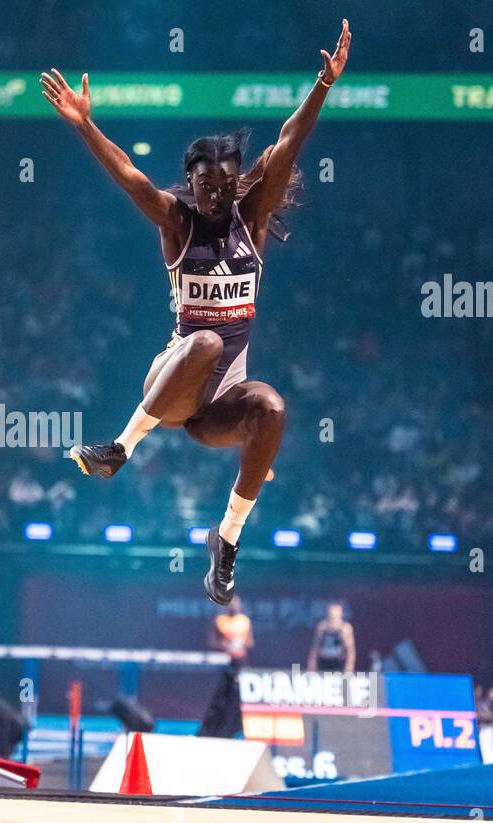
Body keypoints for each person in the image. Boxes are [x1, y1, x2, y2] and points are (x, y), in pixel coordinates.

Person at [43, 20, 352, 605]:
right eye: (204, 182)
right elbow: (131, 178)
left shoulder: (250, 224)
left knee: (273, 407)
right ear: (189, 182)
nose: (214, 191)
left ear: (236, 183)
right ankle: (120, 448)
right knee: (208, 342)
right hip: (175, 382)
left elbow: (288, 144)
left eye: (224, 182)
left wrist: (322, 85)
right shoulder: (176, 222)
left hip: (217, 410)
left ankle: (227, 541)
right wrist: (86, 125)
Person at [198, 597, 253, 737]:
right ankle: (210, 731)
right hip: (224, 664)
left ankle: (231, 731)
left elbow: (250, 643)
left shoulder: (244, 621)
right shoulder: (220, 621)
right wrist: (225, 645)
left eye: (236, 603)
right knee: (219, 700)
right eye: (231, 603)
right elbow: (212, 641)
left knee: (236, 701)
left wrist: (240, 644)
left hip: (239, 664)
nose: (234, 606)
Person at [306, 602, 355, 673]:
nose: (334, 618)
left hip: (338, 662)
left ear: (340, 615)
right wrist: (312, 664)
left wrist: (349, 667)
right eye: (332, 616)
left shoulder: (345, 628)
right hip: (324, 661)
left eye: (336, 616)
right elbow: (315, 647)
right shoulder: (322, 627)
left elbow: (350, 650)